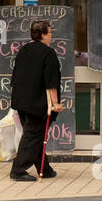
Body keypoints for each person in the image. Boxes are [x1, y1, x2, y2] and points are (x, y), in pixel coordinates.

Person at [9, 20, 63, 181]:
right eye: (50, 33)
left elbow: (15, 77)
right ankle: (18, 170)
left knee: (35, 135)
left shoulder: (23, 50)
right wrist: (55, 104)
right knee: (33, 136)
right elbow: (51, 82)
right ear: (43, 35)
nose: (51, 36)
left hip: (21, 100)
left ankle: (44, 169)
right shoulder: (48, 53)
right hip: (37, 103)